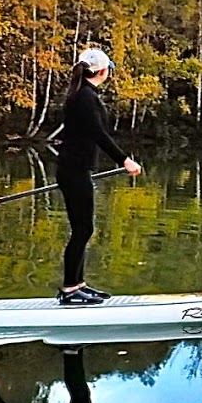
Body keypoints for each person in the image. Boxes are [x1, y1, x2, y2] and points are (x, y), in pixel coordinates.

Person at [57, 47, 141, 305]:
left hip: (75, 169)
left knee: (83, 228)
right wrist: (125, 160)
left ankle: (78, 284)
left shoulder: (82, 94)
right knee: (82, 229)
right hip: (74, 170)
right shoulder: (85, 97)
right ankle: (69, 289)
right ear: (103, 71)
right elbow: (98, 134)